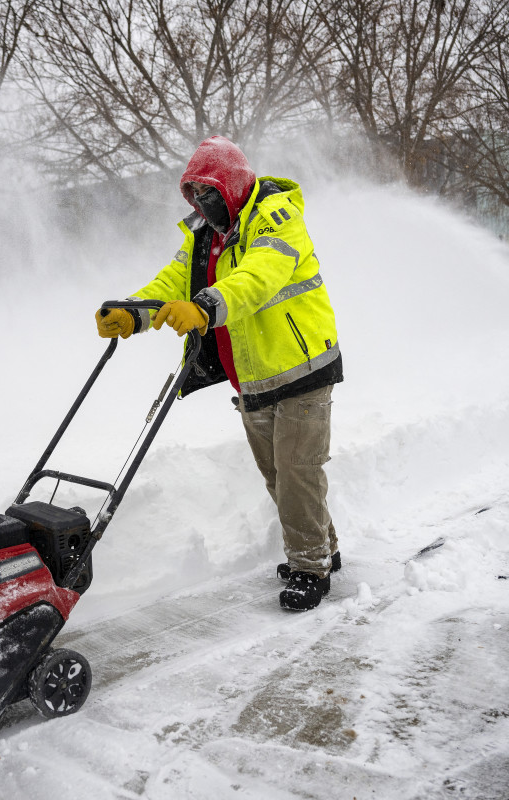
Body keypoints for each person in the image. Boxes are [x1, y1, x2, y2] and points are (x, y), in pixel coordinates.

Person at [94, 136, 345, 611]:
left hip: (302, 367)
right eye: (194, 196)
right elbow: (174, 282)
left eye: (208, 193)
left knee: (297, 473)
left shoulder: (276, 217)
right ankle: (323, 549)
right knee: (279, 476)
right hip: (251, 377)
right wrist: (135, 312)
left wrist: (207, 305)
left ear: (230, 185)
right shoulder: (204, 235)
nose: (202, 204)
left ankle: (311, 567)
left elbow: (259, 275)